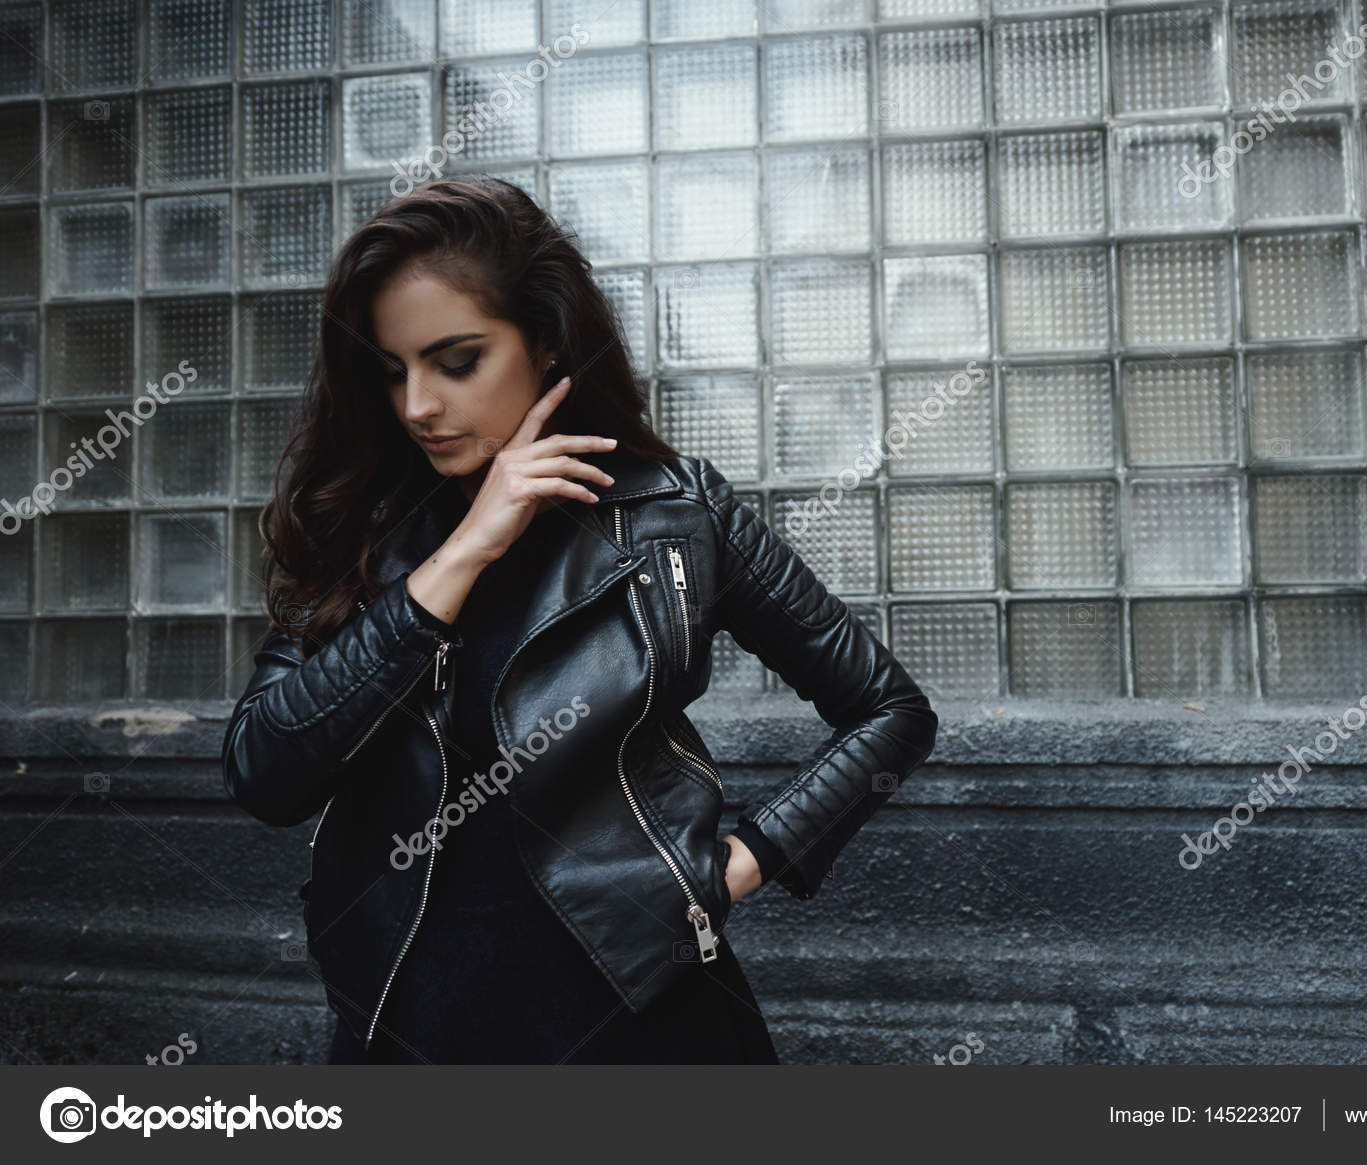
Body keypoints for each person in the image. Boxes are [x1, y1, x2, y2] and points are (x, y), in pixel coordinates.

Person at [221, 175, 939, 1064]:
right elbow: (264, 772)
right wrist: (462, 554)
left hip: (645, 1020)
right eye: (392, 369)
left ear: (547, 340)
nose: (417, 406)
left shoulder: (677, 516)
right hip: (411, 1030)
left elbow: (890, 710)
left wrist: (732, 867)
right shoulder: (363, 532)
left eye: (456, 361)